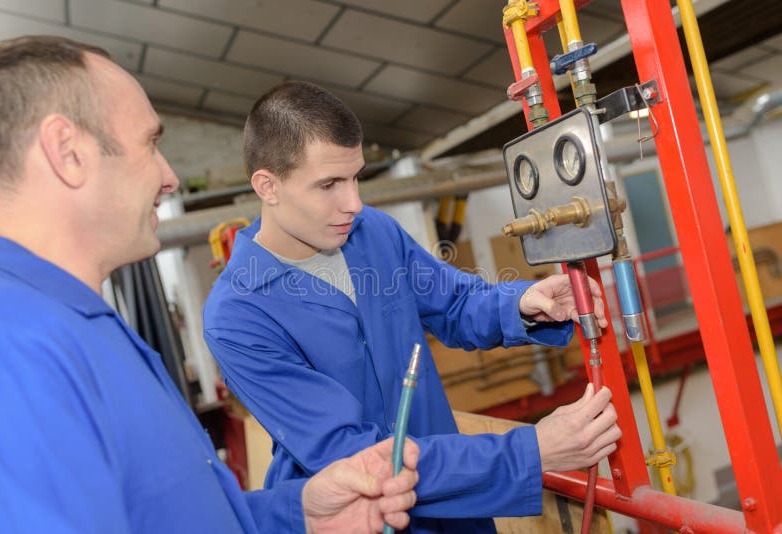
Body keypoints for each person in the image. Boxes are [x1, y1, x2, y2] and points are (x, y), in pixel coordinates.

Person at [0, 36, 420, 534]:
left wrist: (293, 514)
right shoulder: (6, 346)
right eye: (150, 142)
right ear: (68, 152)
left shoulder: (65, 324)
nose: (169, 178)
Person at [203, 81, 622, 533]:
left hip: (457, 507)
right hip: (361, 520)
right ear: (268, 186)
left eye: (356, 177)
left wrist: (521, 303)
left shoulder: (373, 232)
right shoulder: (238, 316)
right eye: (329, 184)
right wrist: (532, 451)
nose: (353, 203)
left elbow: (455, 302)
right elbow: (353, 455)